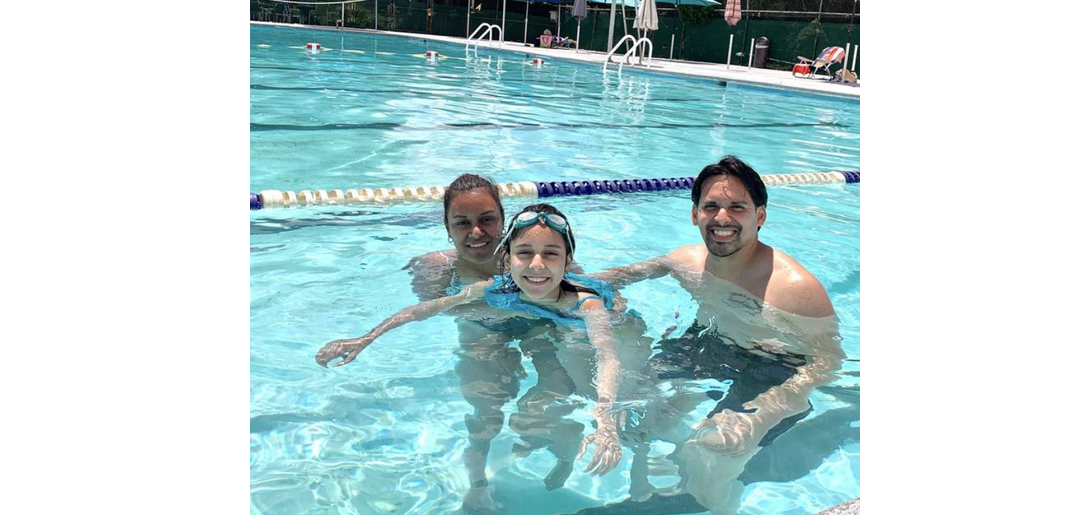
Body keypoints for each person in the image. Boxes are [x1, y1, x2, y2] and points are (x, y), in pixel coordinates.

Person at [589, 155, 845, 515]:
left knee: (711, 450)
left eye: (737, 207)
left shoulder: (794, 288)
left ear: (760, 216)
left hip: (774, 365)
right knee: (629, 403)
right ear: (695, 215)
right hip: (708, 343)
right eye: (712, 206)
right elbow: (618, 276)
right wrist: (590, 289)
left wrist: (764, 413)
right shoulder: (685, 260)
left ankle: (715, 500)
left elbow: (828, 361)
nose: (722, 218)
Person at [316, 204, 629, 490]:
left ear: (567, 261)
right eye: (524, 253)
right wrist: (365, 338)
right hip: (533, 322)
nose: (536, 265)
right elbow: (429, 308)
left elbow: (608, 355)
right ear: (507, 260)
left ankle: (564, 454)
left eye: (550, 254)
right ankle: (501, 469)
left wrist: (606, 418)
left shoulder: (586, 305)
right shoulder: (495, 288)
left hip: (568, 330)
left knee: (542, 406)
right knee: (509, 408)